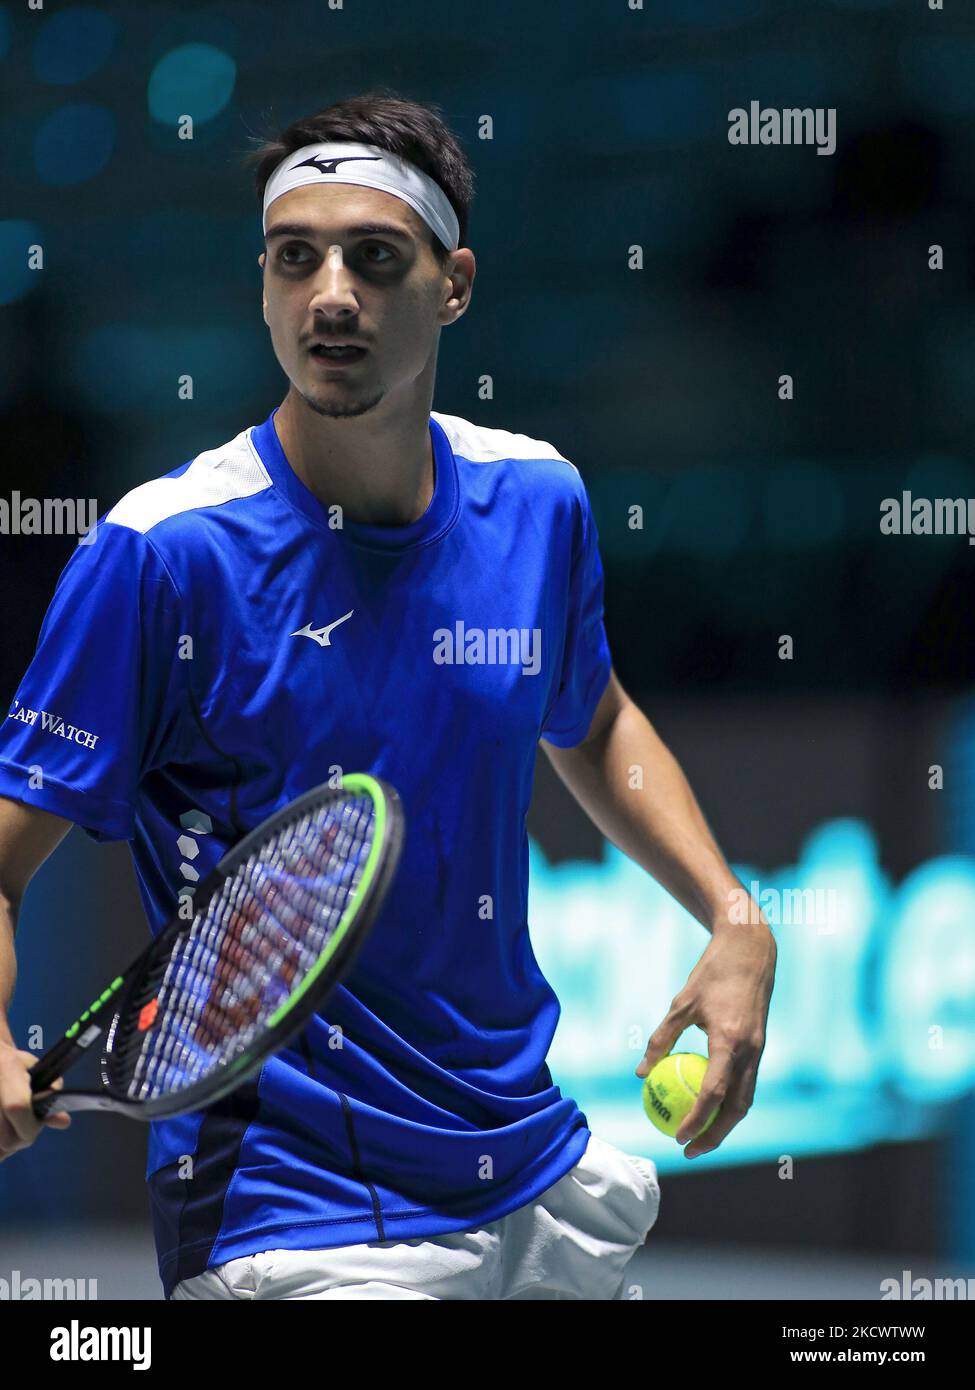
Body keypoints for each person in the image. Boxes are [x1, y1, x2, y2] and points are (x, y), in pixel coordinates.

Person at [0, 89, 776, 1300]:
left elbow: (597, 715)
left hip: (530, 1169)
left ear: (452, 284)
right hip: (294, 1218)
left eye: (375, 257)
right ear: (263, 285)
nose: (332, 295)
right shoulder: (163, 554)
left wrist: (734, 917)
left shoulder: (538, 501)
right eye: (295, 258)